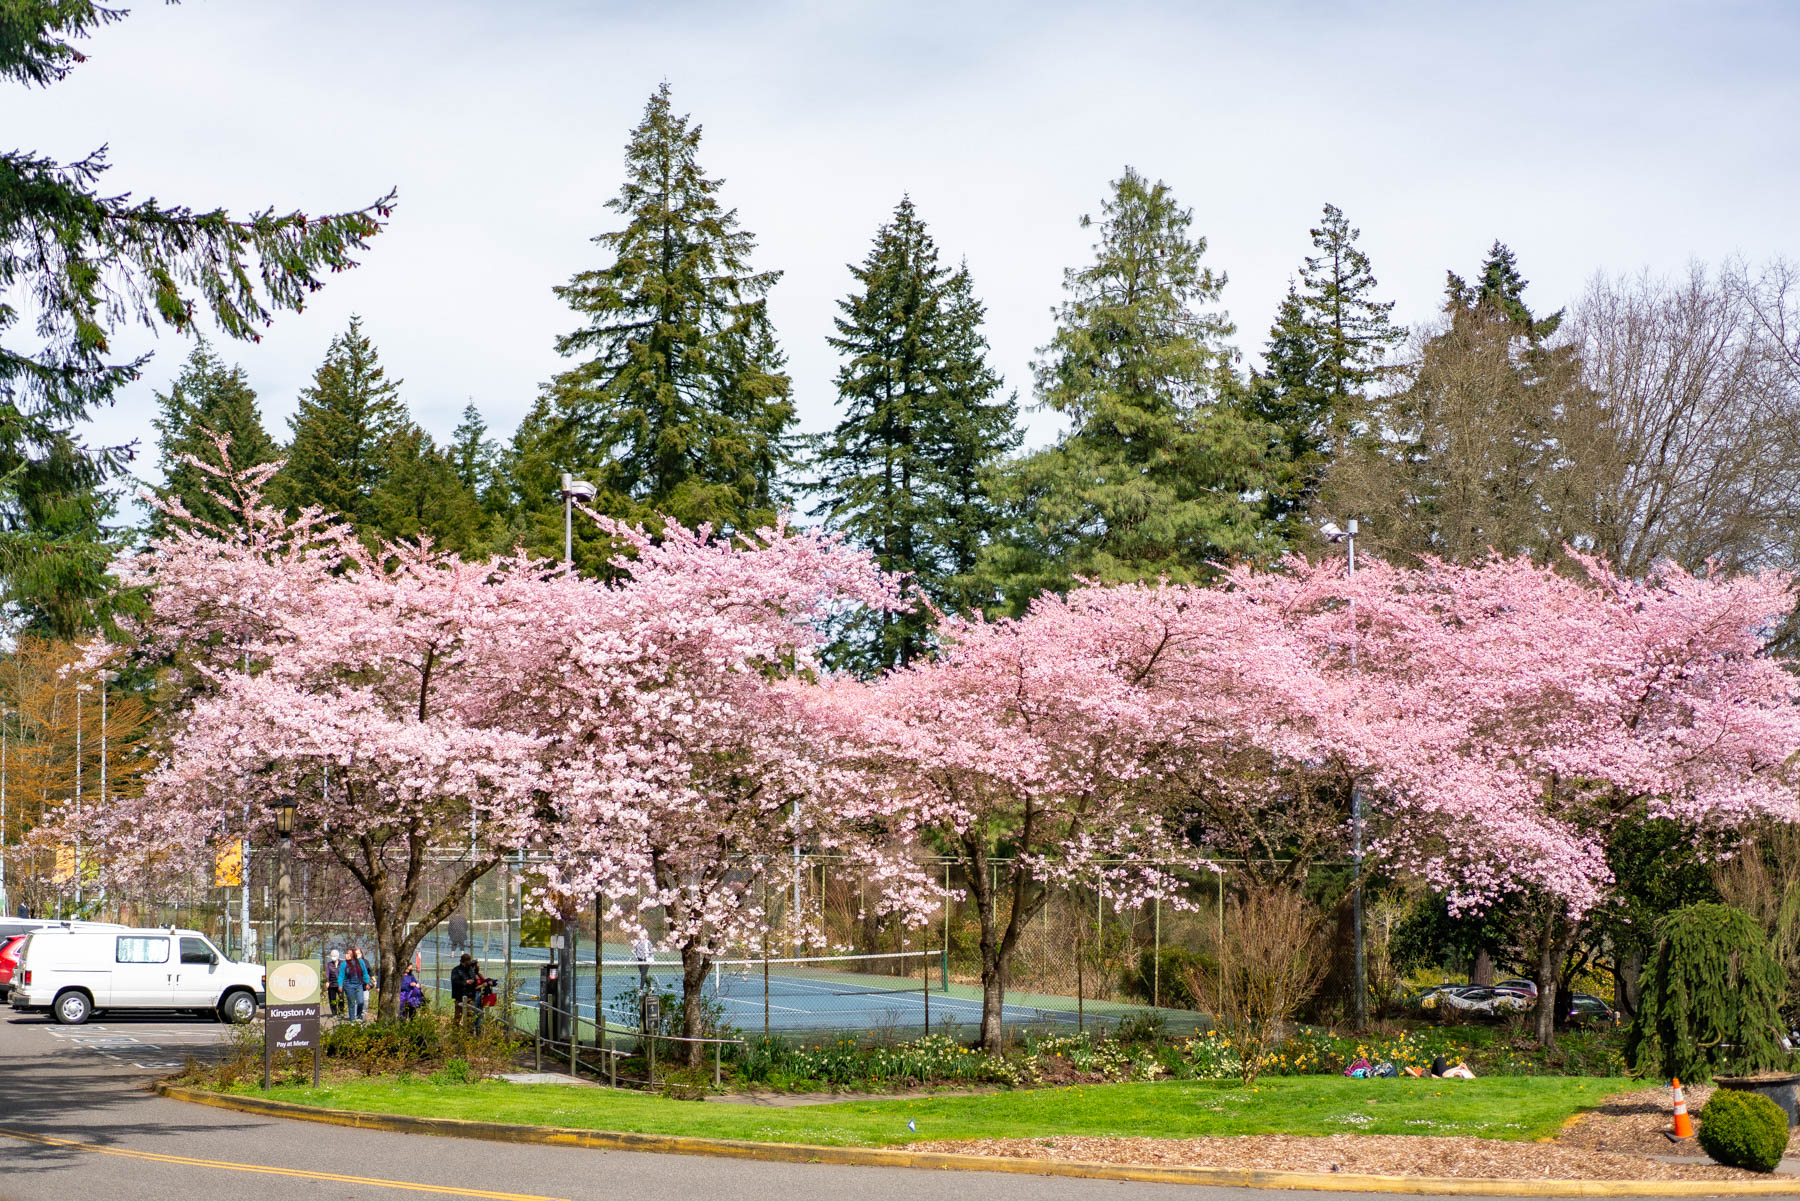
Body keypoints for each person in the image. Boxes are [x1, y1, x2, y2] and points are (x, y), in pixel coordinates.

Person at [341, 947, 371, 1021]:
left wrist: (367, 983)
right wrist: (340, 985)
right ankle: (352, 1020)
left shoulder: (360, 962)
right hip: (348, 985)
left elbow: (365, 973)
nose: (347, 955)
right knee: (351, 1003)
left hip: (358, 984)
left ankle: (359, 1016)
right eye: (346, 953)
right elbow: (341, 976)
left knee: (361, 1002)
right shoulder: (344, 963)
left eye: (349, 954)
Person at [449, 952, 478, 1026]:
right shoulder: (456, 970)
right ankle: (455, 1031)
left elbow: (475, 980)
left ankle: (468, 1032)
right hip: (459, 997)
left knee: (469, 1017)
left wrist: (474, 981)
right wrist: (466, 982)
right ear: (462, 962)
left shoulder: (471, 969)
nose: (467, 965)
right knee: (457, 1016)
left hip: (470, 996)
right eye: (466, 963)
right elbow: (455, 982)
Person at [324, 949, 345, 1018]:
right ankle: (334, 1013)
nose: (333, 957)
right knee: (332, 999)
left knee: (341, 998)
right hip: (332, 984)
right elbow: (327, 973)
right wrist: (327, 981)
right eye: (332, 955)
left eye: (335, 955)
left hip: (340, 984)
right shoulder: (329, 964)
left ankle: (341, 1012)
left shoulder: (342, 963)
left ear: (338, 956)